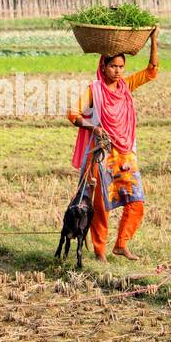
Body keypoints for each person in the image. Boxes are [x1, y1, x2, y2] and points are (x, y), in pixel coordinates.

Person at [66, 27, 159, 260]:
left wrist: (154, 40)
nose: (117, 71)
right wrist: (93, 127)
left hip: (125, 154)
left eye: (121, 67)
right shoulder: (94, 90)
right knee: (102, 205)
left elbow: (151, 71)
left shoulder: (126, 86)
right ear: (103, 67)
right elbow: (72, 113)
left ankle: (121, 243)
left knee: (136, 201)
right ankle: (100, 251)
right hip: (102, 154)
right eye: (113, 66)